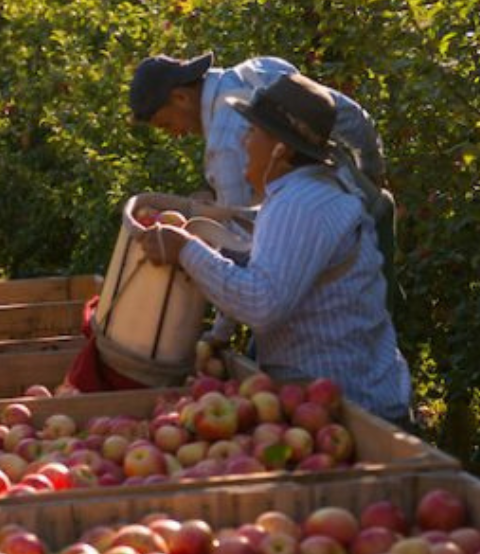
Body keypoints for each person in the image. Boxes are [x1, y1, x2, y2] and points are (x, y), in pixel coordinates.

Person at [135, 73, 410, 422]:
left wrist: (186, 251)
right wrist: (206, 236)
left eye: (253, 132)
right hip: (342, 399)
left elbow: (261, 302)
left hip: (352, 412)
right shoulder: (308, 190)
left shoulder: (299, 204)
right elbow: (269, 257)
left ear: (282, 148)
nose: (243, 140)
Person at [128, 52, 385, 208]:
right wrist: (371, 179)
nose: (175, 135)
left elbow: (241, 235)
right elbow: (354, 121)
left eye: (167, 125)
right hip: (361, 212)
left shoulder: (223, 145)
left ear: (181, 98)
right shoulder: (262, 68)